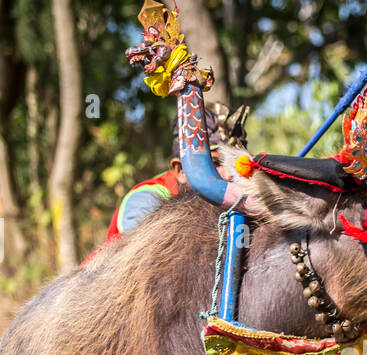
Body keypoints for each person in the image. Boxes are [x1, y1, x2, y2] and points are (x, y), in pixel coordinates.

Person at [88, 102, 248, 260]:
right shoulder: (145, 200)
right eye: (215, 163)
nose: (228, 175)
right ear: (181, 170)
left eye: (233, 165)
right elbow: (150, 264)